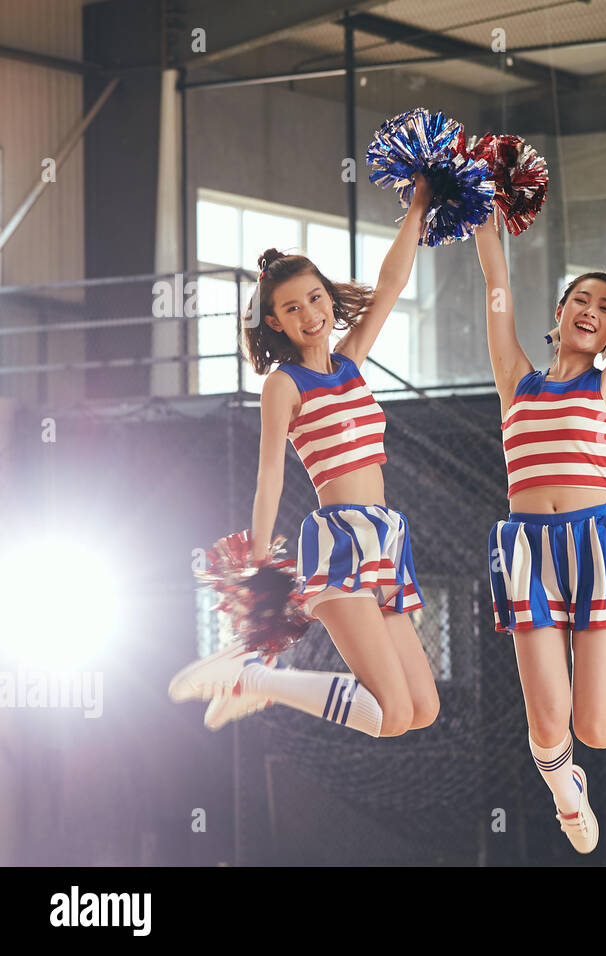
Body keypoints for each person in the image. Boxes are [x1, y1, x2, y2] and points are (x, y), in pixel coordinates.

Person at [169, 177, 439, 740]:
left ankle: (255, 681)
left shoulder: (351, 361)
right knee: (388, 715)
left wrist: (417, 207)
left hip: (385, 539)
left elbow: (391, 282)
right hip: (339, 541)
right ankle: (259, 680)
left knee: (421, 710)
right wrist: (257, 564)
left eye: (315, 298)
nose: (309, 313)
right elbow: (270, 474)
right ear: (276, 322)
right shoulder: (282, 385)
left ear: (328, 298)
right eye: (292, 308)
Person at [473, 190, 606, 853]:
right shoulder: (515, 378)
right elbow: (496, 282)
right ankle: (568, 793)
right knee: (548, 726)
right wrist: (479, 204)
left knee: (596, 726)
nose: (592, 312)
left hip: (596, 543)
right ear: (559, 314)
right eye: (582, 301)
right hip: (528, 552)